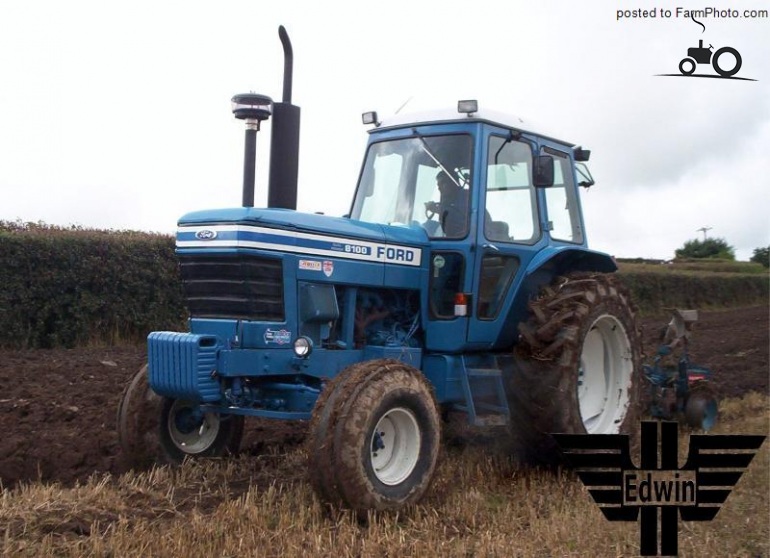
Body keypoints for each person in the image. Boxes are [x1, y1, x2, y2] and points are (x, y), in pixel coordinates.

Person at [425, 170, 469, 238]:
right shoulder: (448, 201)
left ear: (453, 182)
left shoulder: (465, 197)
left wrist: (437, 209)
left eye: (443, 183)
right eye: (438, 185)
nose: (439, 188)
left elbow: (460, 218)